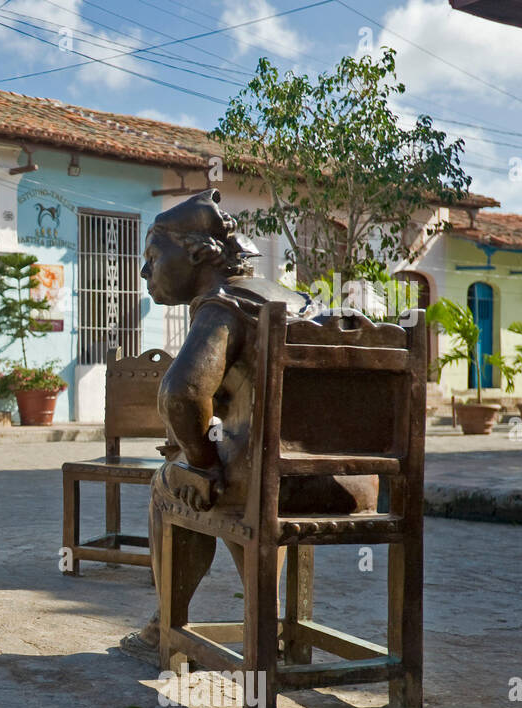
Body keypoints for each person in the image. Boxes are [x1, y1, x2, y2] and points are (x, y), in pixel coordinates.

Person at [123, 189, 378, 655]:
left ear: (199, 254)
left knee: (179, 485)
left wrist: (199, 462)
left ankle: (166, 629)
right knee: (239, 471)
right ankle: (267, 619)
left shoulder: (223, 306)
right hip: (351, 485)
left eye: (154, 257)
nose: (145, 272)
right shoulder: (301, 301)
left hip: (276, 483)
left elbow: (182, 394)